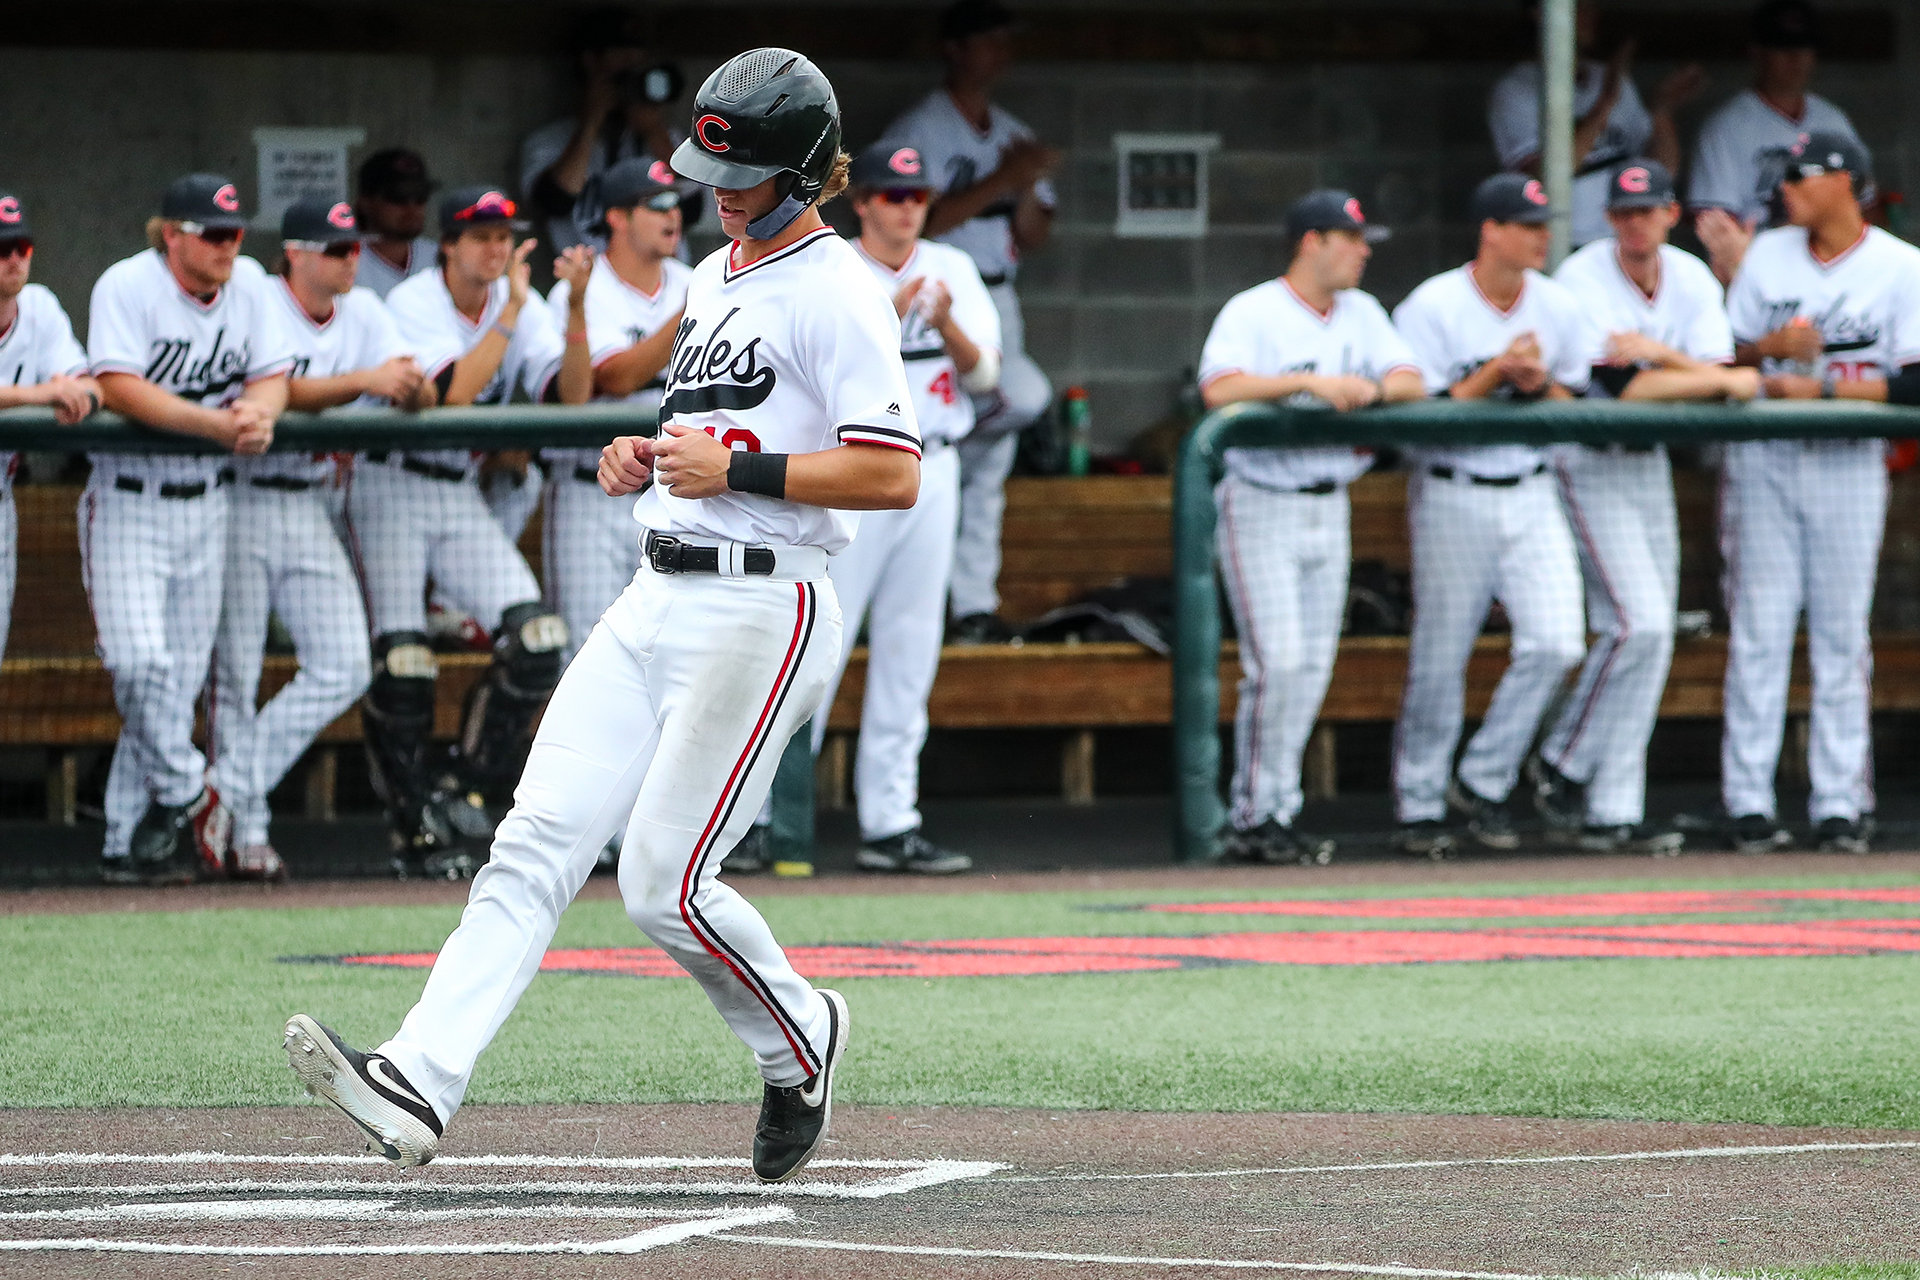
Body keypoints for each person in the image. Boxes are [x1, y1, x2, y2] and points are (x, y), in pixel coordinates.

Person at [286, 48, 910, 1188]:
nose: (718, 188)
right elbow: (707, 435)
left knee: (662, 884)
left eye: (748, 167)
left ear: (809, 169)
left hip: (764, 604)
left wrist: (737, 467)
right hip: (656, 588)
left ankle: (801, 1034)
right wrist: (649, 460)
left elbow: (888, 472)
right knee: (532, 838)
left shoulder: (839, 287)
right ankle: (422, 1077)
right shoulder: (716, 275)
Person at [353, 186, 590, 877]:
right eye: (478, 235)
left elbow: (570, 396)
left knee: (539, 638)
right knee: (404, 662)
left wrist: (572, 306)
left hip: (457, 489)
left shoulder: (528, 303)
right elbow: (454, 393)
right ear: (447, 245)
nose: (494, 246)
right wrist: (514, 308)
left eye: (502, 234)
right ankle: (413, 833)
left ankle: (464, 784)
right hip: (391, 483)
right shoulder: (414, 301)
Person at [1528, 160, 1760, 855]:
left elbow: (1726, 381)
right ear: (1610, 220)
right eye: (1624, 212)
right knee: (1641, 624)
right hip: (1589, 459)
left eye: (1648, 210)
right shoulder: (1582, 276)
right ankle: (1564, 761)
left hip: (1649, 463)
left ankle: (1612, 809)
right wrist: (1692, 373)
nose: (1635, 222)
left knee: (1646, 637)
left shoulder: (1687, 276)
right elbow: (1623, 392)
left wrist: (1663, 356)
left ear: (1670, 214)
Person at [206, 197, 430, 882]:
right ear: (296, 254)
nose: (350, 259)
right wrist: (362, 384)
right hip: (243, 499)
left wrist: (403, 387)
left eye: (353, 247)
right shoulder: (260, 297)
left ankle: (226, 791)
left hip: (309, 504)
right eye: (335, 249)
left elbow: (412, 386)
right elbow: (272, 386)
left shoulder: (364, 309)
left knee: (344, 663)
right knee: (236, 677)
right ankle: (248, 831)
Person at [1199, 190, 1424, 867]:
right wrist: (1307, 384)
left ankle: (1279, 810)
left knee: (1313, 667)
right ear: (1311, 242)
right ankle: (1255, 814)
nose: (1364, 248)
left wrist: (1370, 391)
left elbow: (1413, 380)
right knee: (1280, 663)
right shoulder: (1254, 309)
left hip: (1331, 502)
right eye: (1350, 237)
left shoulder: (1363, 312)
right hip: (1262, 497)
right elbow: (1219, 390)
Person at [85, 174, 294, 884]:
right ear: (170, 234)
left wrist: (261, 410)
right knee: (138, 663)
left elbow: (272, 374)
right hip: (130, 499)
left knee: (173, 688)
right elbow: (115, 383)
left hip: (208, 503)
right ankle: (187, 792)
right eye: (214, 234)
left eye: (235, 233)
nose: (230, 245)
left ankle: (129, 838)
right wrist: (216, 423)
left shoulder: (253, 286)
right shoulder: (127, 283)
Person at [1716, 132, 1919, 854]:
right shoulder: (1768, 254)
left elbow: (1915, 379)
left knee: (1841, 636)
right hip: (1766, 458)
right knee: (1760, 632)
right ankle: (1749, 802)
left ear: (1846, 183)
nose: (1787, 191)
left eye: (1802, 179)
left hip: (1848, 461)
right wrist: (1771, 351)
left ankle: (1840, 802)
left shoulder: (1900, 266)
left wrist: (1826, 383)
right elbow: (1722, 350)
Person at [1388, 173, 1594, 858]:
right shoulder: (1435, 304)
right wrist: (1496, 373)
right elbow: (1415, 420)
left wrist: (1540, 385)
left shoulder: (1558, 305)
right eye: (1527, 223)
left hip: (1533, 485)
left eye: (1544, 223)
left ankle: (1482, 777)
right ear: (1491, 230)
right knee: (1440, 655)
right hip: (1453, 488)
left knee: (1559, 641)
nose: (1541, 235)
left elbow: (1585, 403)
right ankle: (1419, 802)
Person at [825, 141, 1000, 875]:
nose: (906, 208)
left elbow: (986, 374)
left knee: (909, 649)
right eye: (892, 195)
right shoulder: (834, 266)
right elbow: (820, 375)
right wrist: (889, 318)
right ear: (861, 201)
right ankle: (767, 817)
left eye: (916, 196)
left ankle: (891, 821)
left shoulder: (952, 266)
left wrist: (949, 323)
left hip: (935, 468)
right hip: (854, 475)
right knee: (815, 649)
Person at [877, 0, 1057, 645]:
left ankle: (972, 604)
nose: (1001, 51)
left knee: (994, 453)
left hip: (996, 294)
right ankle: (942, 436)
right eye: (989, 39)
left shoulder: (1010, 128)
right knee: (1015, 402)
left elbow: (1033, 236)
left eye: (1006, 39)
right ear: (955, 48)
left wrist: (1028, 186)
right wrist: (1005, 176)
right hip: (932, 293)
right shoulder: (920, 128)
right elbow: (922, 222)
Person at [541, 156, 691, 665]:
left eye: (677, 204)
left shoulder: (689, 280)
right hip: (592, 491)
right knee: (589, 652)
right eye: (657, 206)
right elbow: (616, 378)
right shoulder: (582, 289)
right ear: (617, 217)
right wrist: (692, 313)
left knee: (671, 650)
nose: (674, 216)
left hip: (675, 494)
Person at [1488, 0, 1704, 249]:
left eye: (1592, 7)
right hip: (1564, 244)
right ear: (1540, 13)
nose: (1591, 15)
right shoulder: (1516, 90)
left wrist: (1661, 110)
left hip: (1624, 241)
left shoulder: (1610, 78)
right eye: (1579, 7)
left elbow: (1663, 171)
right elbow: (1544, 175)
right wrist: (1606, 101)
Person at [1689, 0, 1864, 284]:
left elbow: (1864, 204)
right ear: (1757, 52)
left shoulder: (1833, 120)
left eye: (1803, 47)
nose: (1795, 57)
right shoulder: (1726, 126)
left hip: (1832, 266)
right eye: (1782, 47)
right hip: (1759, 269)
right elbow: (1713, 223)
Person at [0, 193, 97, 664]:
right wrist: (36, 394)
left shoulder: (38, 308)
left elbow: (79, 381)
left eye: (23, 247)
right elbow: (49, 390)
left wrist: (71, 389)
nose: (15, 258)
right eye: (3, 249)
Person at [519, 7, 691, 254]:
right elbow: (554, 202)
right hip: (588, 279)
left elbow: (693, 208)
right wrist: (590, 124)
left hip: (664, 279)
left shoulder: (667, 138)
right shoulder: (549, 141)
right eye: (622, 70)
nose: (632, 70)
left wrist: (654, 132)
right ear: (591, 62)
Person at [353, 148, 440, 301]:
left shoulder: (440, 257)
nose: (412, 208)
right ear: (365, 202)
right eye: (398, 197)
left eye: (420, 197)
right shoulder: (345, 260)